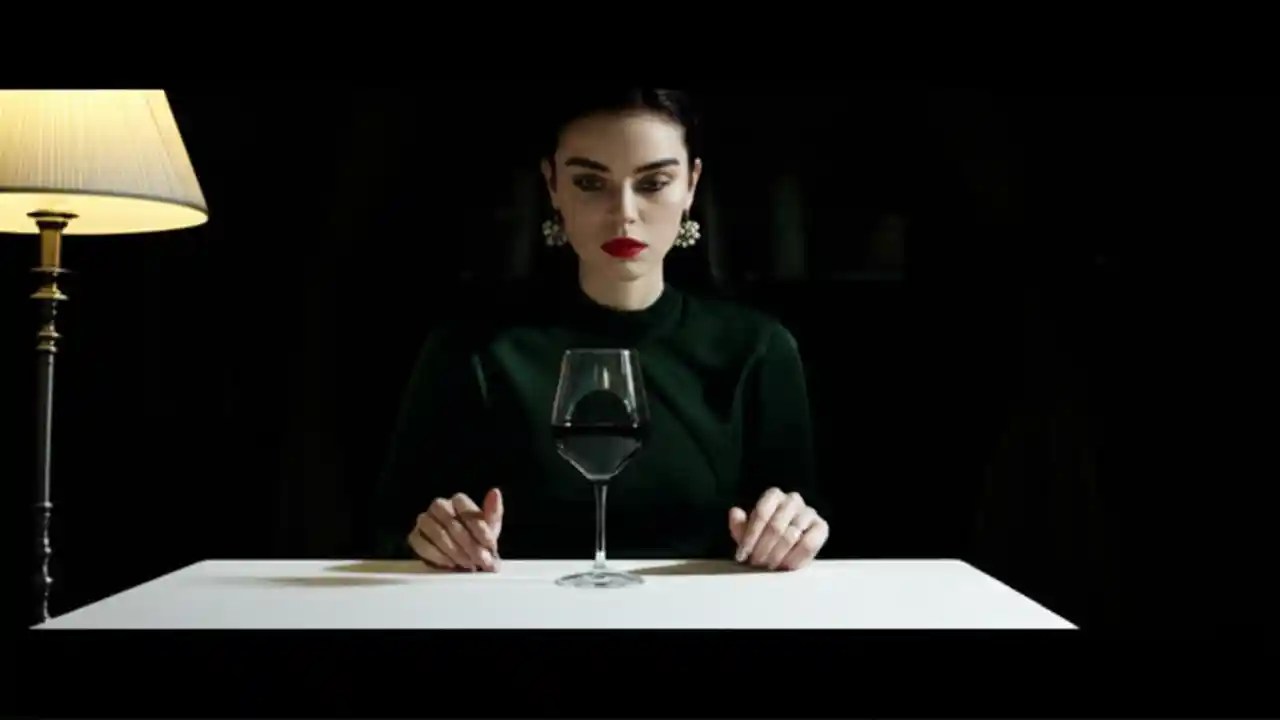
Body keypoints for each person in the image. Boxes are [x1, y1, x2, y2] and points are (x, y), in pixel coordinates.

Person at [371, 88, 829, 572]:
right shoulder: (474, 351)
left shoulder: (758, 349)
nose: (624, 212)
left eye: (653, 183)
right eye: (591, 182)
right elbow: (393, 532)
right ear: (552, 185)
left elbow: (799, 534)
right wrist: (434, 535)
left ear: (691, 185)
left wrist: (794, 531)